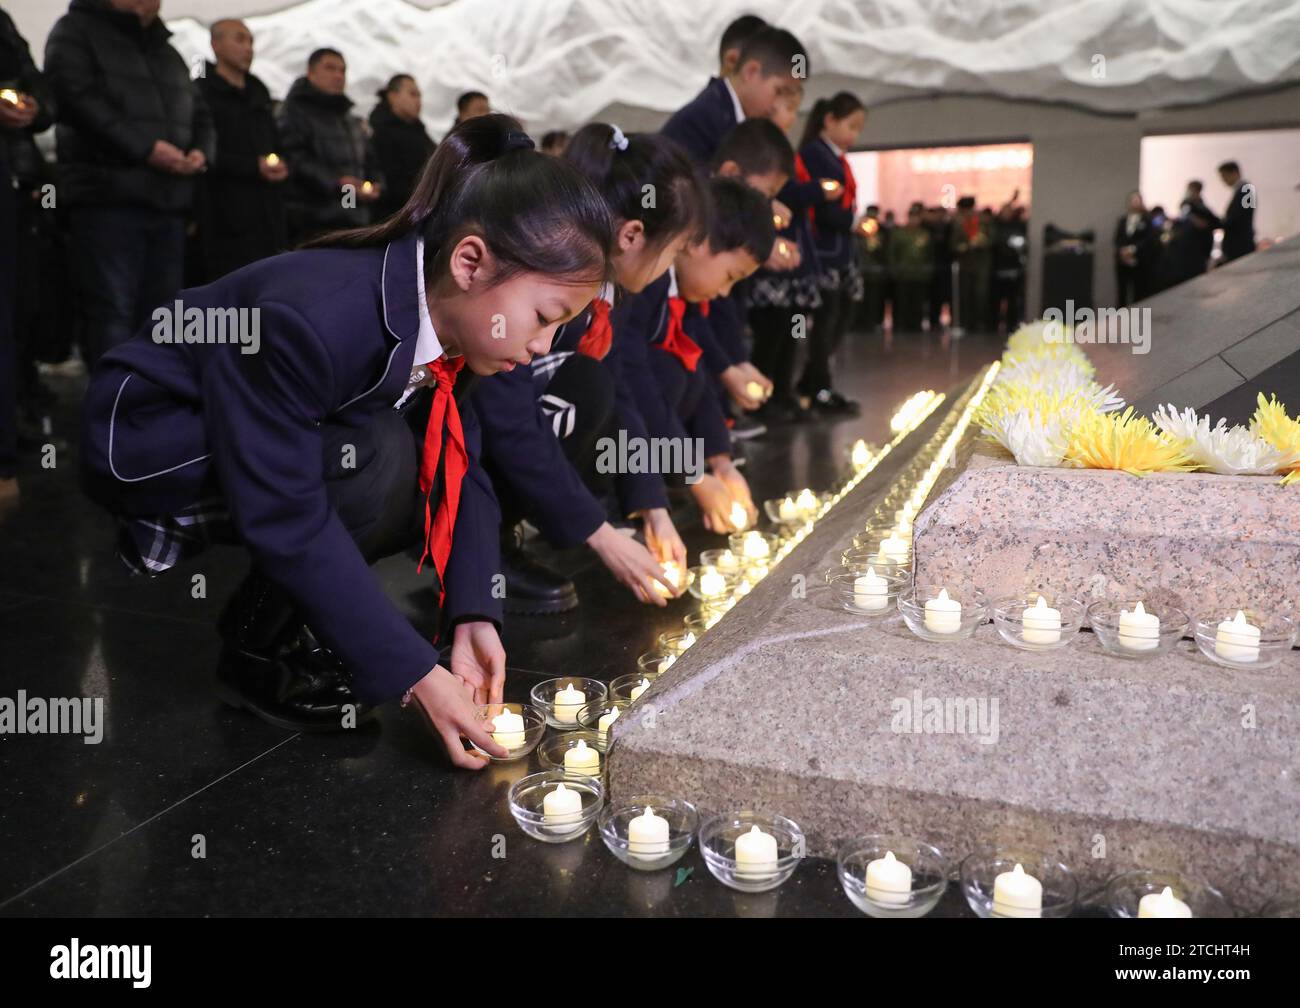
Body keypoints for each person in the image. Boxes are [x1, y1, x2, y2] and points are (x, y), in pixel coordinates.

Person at [79, 114, 613, 766]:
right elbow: (285, 511)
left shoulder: (451, 314)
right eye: (544, 318)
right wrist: (415, 672)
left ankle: (301, 620)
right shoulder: (313, 320)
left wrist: (475, 612)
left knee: (401, 461)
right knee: (377, 456)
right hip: (148, 436)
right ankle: (257, 652)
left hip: (269, 436)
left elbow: (462, 462)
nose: (539, 347)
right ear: (470, 261)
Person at [473, 124, 704, 612]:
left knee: (600, 385)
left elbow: (621, 391)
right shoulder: (546, 271)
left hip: (511, 427)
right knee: (587, 384)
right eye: (672, 252)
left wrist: (652, 505)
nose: (668, 269)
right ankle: (483, 548)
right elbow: (507, 410)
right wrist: (598, 533)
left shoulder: (609, 291)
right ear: (632, 235)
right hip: (455, 441)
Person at [44, 0, 215, 365]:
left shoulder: (167, 52)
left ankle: (153, 394)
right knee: (112, 313)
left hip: (167, 201)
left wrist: (201, 152)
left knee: (163, 316)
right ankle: (113, 397)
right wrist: (145, 149)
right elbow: (74, 97)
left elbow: (199, 112)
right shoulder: (76, 31)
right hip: (106, 198)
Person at [607, 176, 773, 533]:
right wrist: (692, 474)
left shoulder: (679, 292)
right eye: (729, 275)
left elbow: (698, 373)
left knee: (686, 375)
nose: (724, 292)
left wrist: (721, 462)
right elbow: (634, 383)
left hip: (641, 443)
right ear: (696, 242)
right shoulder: (642, 286)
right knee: (665, 374)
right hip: (607, 443)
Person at [0, 4, 54, 503]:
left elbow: (37, 84)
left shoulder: (3, 23)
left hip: (14, 186)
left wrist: (34, 106)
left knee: (16, 313)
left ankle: (10, 430)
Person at [195, 18, 287, 282]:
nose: (248, 48)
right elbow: (203, 152)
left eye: (250, 41)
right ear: (216, 44)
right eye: (239, 39)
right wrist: (251, 166)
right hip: (223, 213)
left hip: (266, 215)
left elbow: (275, 142)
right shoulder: (202, 92)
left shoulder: (258, 92)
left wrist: (283, 164)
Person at [796, 91, 866, 415]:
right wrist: (853, 222)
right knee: (825, 320)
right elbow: (821, 208)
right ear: (830, 120)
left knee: (838, 316)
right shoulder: (815, 154)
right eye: (851, 126)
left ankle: (814, 382)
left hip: (839, 251)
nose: (854, 135)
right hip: (823, 251)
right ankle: (817, 386)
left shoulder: (835, 158)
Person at [277, 47, 384, 243]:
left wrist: (376, 183)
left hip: (351, 216)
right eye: (330, 68)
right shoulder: (294, 111)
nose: (338, 75)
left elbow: (368, 161)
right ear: (311, 73)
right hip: (311, 220)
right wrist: (335, 182)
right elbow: (293, 158)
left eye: (342, 70)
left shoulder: (349, 118)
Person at [661, 25, 807, 165]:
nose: (778, 105)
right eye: (779, 91)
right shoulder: (703, 120)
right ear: (751, 72)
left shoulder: (731, 114)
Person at [369, 73, 435, 220]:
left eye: (419, 96)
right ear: (393, 96)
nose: (418, 101)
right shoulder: (380, 132)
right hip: (394, 217)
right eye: (413, 94)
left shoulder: (419, 131)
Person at [887, 203, 933, 332]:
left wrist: (927, 269)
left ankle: (916, 324)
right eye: (912, 216)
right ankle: (900, 324)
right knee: (901, 300)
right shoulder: (899, 233)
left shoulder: (925, 234)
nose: (914, 220)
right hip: (903, 273)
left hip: (919, 274)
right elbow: (892, 252)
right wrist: (893, 268)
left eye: (917, 217)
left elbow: (930, 254)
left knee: (917, 301)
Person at [948, 195, 992, 332]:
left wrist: (982, 243)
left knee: (980, 294)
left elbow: (992, 238)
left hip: (981, 264)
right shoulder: (958, 224)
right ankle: (965, 323)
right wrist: (964, 246)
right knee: (964, 295)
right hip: (965, 263)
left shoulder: (983, 222)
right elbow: (953, 244)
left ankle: (980, 323)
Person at [1113, 190, 1158, 306]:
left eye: (1137, 200)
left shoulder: (1147, 220)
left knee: (1139, 291)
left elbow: (1149, 239)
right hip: (1123, 262)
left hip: (1140, 261)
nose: (1135, 203)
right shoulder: (1123, 220)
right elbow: (1118, 238)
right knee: (1122, 292)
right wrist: (1122, 251)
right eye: (1132, 200)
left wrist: (1133, 249)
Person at [1218, 160, 1256, 263]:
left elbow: (1241, 218)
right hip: (1239, 244)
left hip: (1241, 245)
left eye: (1225, 176)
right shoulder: (1241, 190)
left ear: (1234, 173)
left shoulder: (1247, 190)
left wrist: (1218, 223)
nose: (1223, 180)